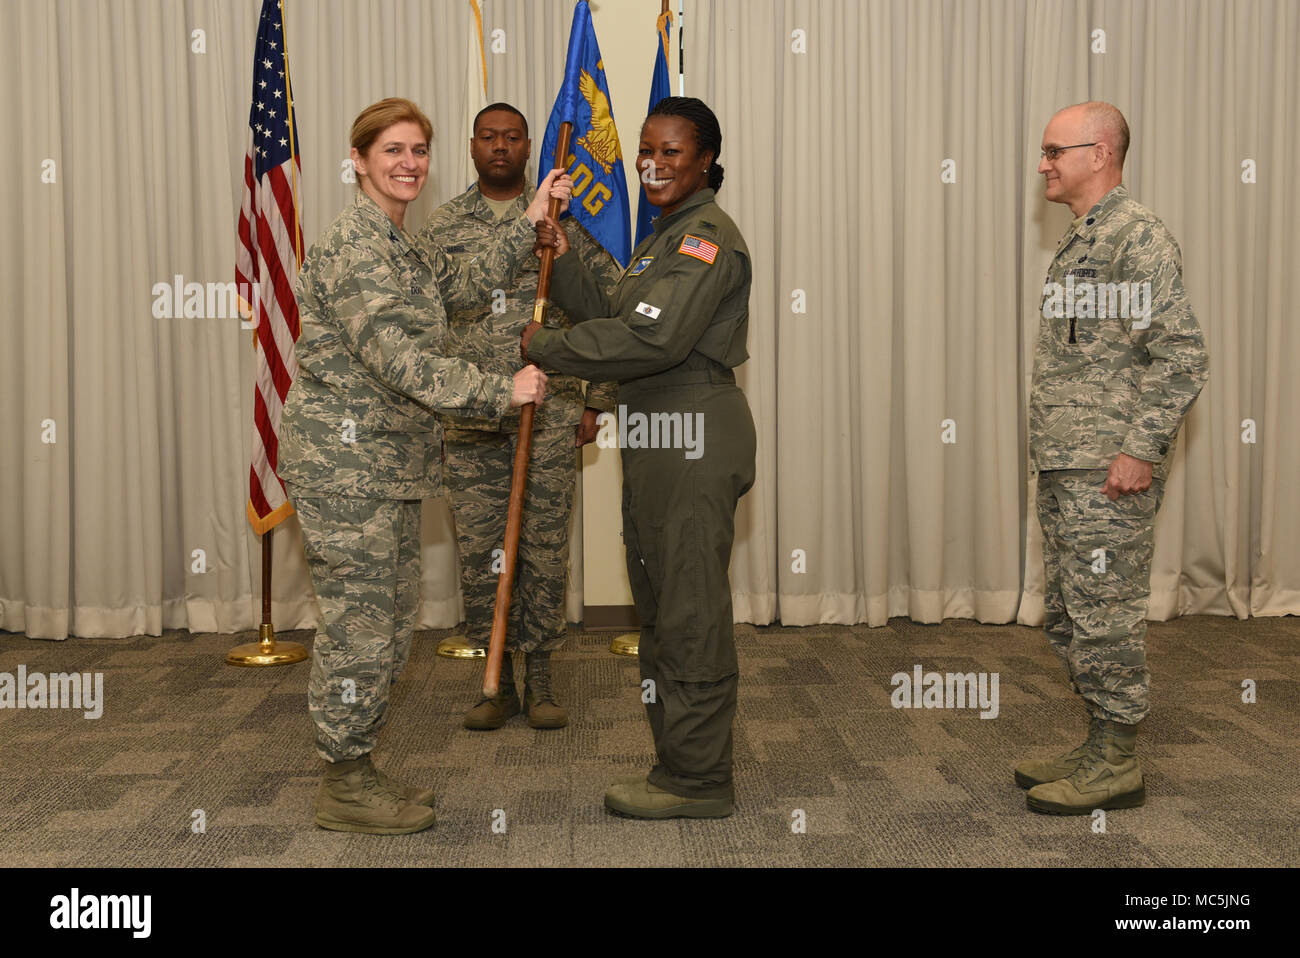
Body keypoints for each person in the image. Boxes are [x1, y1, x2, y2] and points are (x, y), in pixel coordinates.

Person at [278, 97, 570, 834]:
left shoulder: (400, 242)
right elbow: (399, 359)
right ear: (360, 162)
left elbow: (468, 282)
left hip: (387, 466)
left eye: (418, 151)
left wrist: (530, 212)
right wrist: (499, 391)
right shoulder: (355, 246)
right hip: (346, 467)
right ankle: (342, 778)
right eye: (392, 152)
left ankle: (358, 765)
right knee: (360, 627)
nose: (409, 164)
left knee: (387, 620)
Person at [524, 97, 755, 819]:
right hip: (658, 433)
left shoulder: (706, 239)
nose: (653, 164)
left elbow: (652, 344)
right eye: (645, 151)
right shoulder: (665, 237)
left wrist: (544, 349)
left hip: (691, 431)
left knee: (688, 611)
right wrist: (561, 262)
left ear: (707, 160)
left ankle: (699, 780)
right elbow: (615, 318)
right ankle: (678, 761)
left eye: (672, 151)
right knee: (659, 606)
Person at [1018, 102, 1208, 814]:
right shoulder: (1081, 239)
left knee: (1106, 612)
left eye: (1054, 151)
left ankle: (1118, 758)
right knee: (1069, 612)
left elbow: (1182, 355)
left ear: (1099, 154)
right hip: (1070, 463)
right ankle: (1100, 737)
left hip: (1109, 469)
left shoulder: (1138, 237)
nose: (1043, 165)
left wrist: (1139, 449)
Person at [419, 103, 620, 732]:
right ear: (471, 145)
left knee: (543, 546)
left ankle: (541, 680)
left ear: (530, 146)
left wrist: (596, 398)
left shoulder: (565, 218)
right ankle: (494, 679)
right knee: (484, 551)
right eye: (488, 137)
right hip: (474, 419)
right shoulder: (443, 225)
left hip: (552, 410)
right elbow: (430, 319)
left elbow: (605, 309)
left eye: (512, 137)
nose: (500, 147)